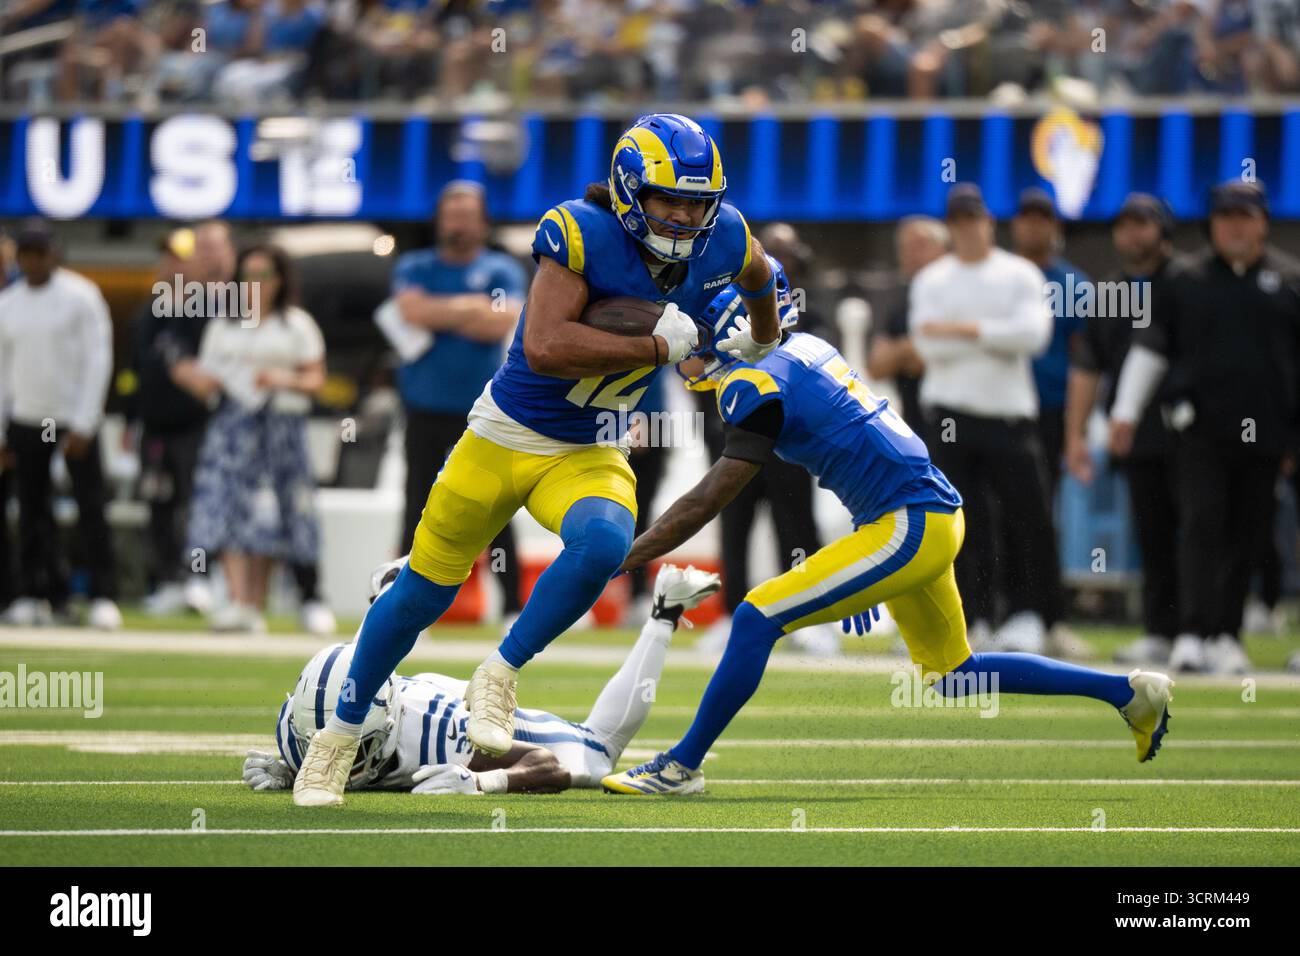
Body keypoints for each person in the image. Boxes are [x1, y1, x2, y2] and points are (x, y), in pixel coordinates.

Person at [292, 113, 782, 808]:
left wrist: (763, 339)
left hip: (589, 446)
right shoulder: (581, 232)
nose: (683, 215)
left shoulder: (724, 235)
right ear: (628, 191)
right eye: (668, 199)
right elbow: (548, 345)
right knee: (420, 596)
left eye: (696, 202)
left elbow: (762, 275)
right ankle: (336, 739)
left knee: (604, 543)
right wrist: (655, 347)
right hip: (505, 435)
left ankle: (501, 669)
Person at [599, 289, 1175, 796]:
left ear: (732, 337)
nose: (687, 355)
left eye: (698, 339)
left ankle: (681, 766)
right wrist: (865, 545)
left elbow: (705, 502)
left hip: (907, 524)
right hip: (922, 515)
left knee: (754, 616)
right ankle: (1126, 694)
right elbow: (861, 440)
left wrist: (620, 558)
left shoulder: (753, 385)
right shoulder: (806, 352)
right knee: (955, 675)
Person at [244, 561, 719, 796]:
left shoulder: (439, 735)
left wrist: (481, 783)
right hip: (415, 690)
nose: (342, 764)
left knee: (597, 752)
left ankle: (663, 612)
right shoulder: (301, 722)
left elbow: (548, 763)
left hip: (489, 725)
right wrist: (297, 766)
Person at [1110, 180, 1300, 675]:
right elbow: (1152, 348)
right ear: (1212, 224)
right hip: (1199, 430)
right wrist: (1126, 412)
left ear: (1261, 221)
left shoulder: (1288, 281)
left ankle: (1226, 634)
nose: (1235, 225)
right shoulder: (1185, 279)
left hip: (1267, 433)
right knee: (1201, 525)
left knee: (1249, 532)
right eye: (1225, 217)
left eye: (1245, 215)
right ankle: (1190, 633)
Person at [909, 183, 1065, 654]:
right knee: (960, 524)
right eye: (959, 224)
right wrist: (993, 334)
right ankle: (971, 616)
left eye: (974, 221)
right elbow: (927, 344)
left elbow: (1033, 336)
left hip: (1009, 416)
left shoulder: (1019, 274)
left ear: (988, 224)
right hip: (951, 417)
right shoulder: (933, 279)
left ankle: (1030, 615)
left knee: (1028, 519)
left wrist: (965, 328)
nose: (968, 231)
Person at [382, 180, 526, 624]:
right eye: (451, 214)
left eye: (467, 215)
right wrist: (471, 308)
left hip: (483, 411)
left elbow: (501, 323)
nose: (458, 224)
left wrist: (443, 311)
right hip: (424, 405)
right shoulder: (415, 265)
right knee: (418, 503)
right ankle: (400, 605)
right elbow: (410, 312)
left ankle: (512, 605)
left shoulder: (501, 268)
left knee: (496, 503)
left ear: (482, 222)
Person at [171, 242, 327, 633]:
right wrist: (193, 379)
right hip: (233, 428)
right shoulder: (224, 326)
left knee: (272, 511)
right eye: (249, 275)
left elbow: (316, 379)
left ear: (279, 280)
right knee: (228, 507)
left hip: (280, 427)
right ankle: (238, 601)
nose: (255, 284)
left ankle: (265, 601)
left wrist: (282, 378)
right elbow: (208, 381)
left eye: (264, 275)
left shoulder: (297, 324)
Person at [1065, 193, 1180, 666]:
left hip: (1195, 430)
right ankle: (1162, 629)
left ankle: (1209, 629)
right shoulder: (1110, 293)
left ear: (1163, 230)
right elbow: (1087, 366)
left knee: (1202, 532)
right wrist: (1075, 437)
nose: (1133, 235)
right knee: (1151, 533)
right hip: (1133, 433)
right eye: (1125, 226)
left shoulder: (1186, 283)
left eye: (1143, 225)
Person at [0, 218, 121, 629]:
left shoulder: (81, 296)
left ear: (54, 253)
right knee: (33, 511)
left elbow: (97, 359)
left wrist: (85, 422)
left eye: (41, 252)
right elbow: (2, 372)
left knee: (91, 509)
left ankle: (103, 594)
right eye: (27, 253)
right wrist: (2, 430)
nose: (34, 261)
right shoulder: (9, 303)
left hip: (73, 420)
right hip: (26, 419)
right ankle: (42, 593)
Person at [1010, 186, 1090, 499]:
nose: (1033, 226)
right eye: (1026, 218)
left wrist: (1076, 429)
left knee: (1039, 504)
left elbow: (1084, 359)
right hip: (998, 409)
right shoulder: (996, 277)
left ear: (1055, 226)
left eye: (1041, 219)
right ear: (1015, 224)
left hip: (1050, 411)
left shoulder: (1074, 286)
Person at [867, 215, 949, 434]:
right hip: (913, 425)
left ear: (942, 250)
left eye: (920, 246)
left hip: (953, 421)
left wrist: (904, 353)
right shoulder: (901, 303)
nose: (911, 254)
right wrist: (913, 349)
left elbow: (938, 357)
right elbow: (876, 367)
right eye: (904, 247)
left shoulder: (955, 295)